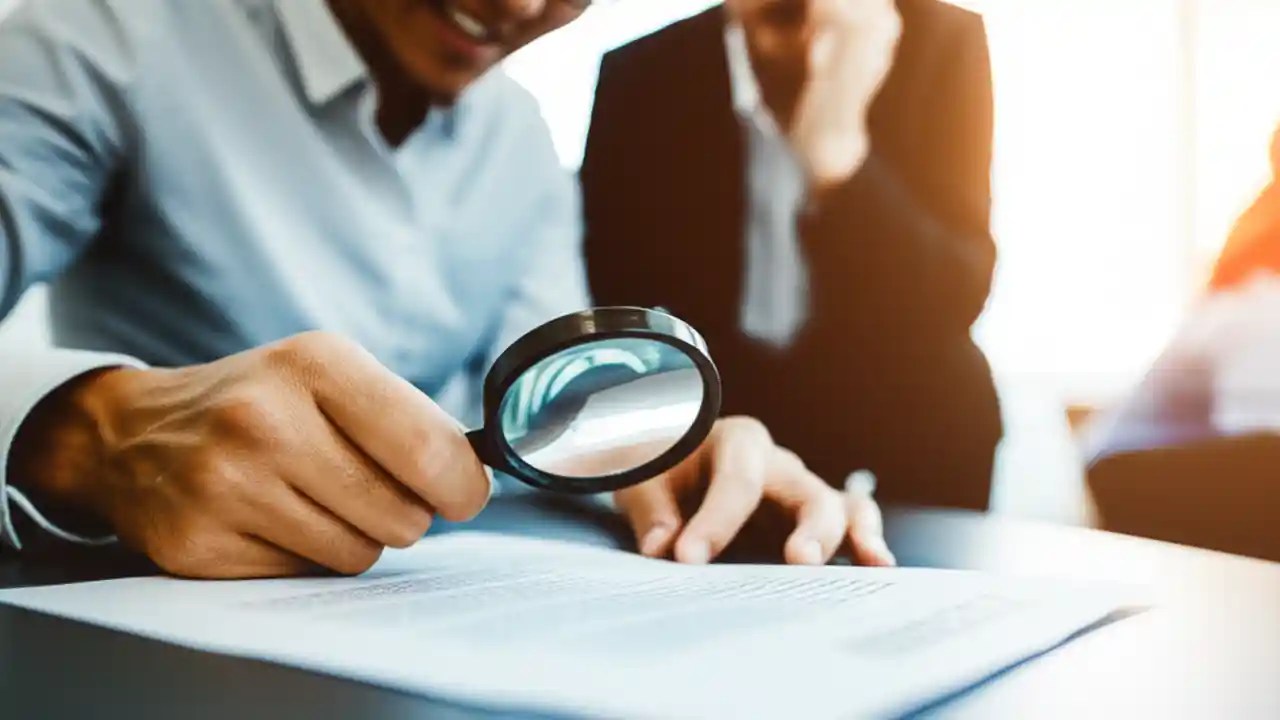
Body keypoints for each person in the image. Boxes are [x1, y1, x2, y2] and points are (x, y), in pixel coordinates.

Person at [0, 0, 895, 579]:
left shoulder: (524, 139)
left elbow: (555, 388)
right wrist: (81, 436)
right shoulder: (103, 36)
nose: (519, 5)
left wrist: (655, 461)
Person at [583, 0, 1002, 510]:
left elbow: (959, 294)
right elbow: (610, 298)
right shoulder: (640, 74)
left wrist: (837, 151)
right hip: (720, 401)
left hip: (902, 402)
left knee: (955, 394)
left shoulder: (944, 44)